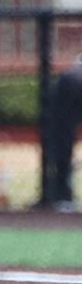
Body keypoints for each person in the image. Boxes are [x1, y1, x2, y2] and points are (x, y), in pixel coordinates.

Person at [42, 63, 82, 211]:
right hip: (71, 84)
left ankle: (62, 194)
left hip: (70, 83)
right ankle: (62, 195)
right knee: (63, 140)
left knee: (63, 139)